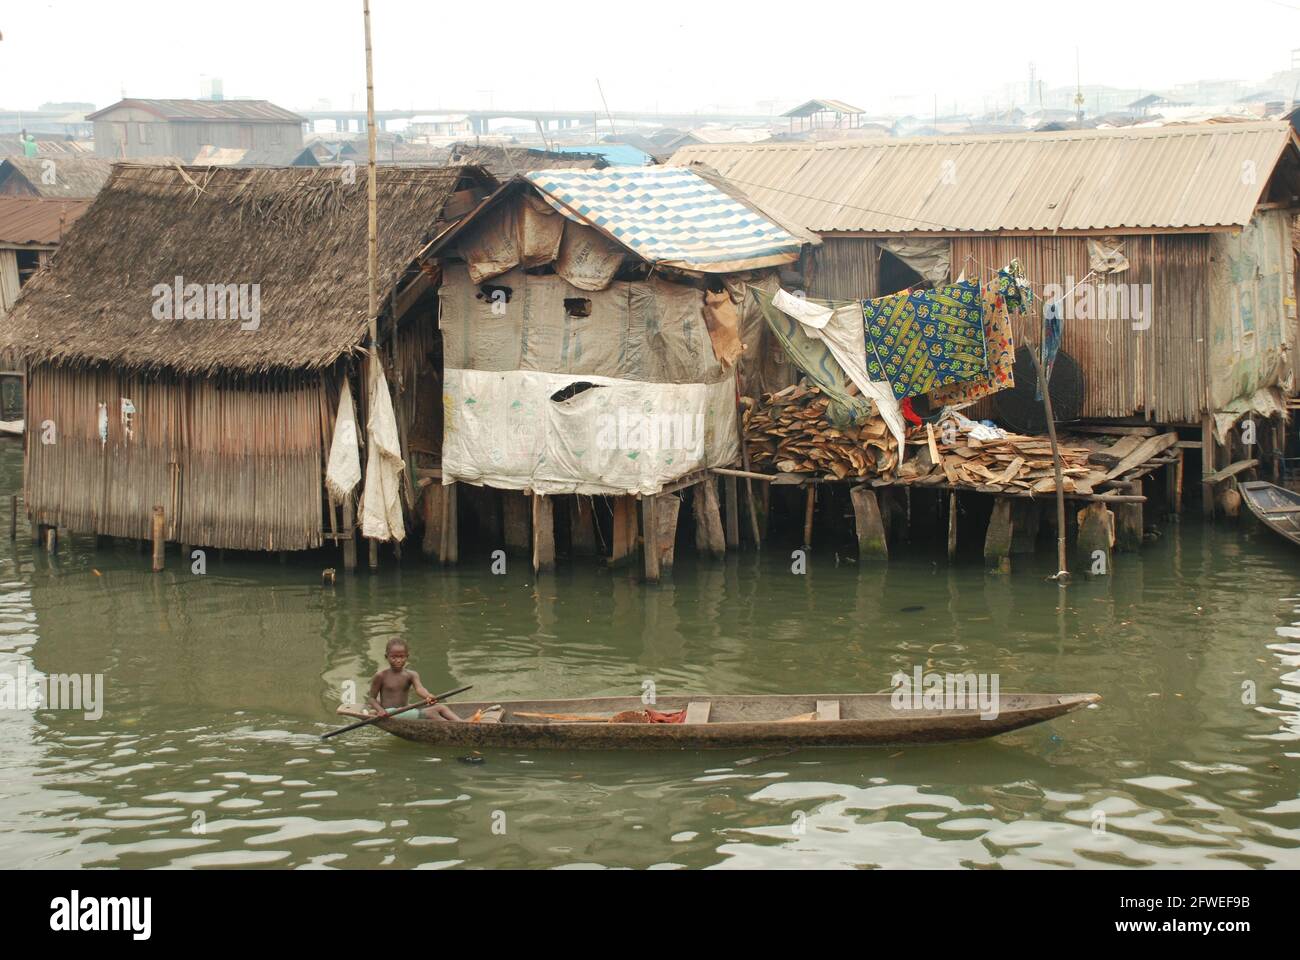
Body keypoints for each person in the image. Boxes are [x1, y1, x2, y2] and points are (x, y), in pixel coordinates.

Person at [366, 638, 461, 721]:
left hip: (404, 710)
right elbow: (371, 698)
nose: (398, 660)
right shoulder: (381, 675)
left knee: (439, 708)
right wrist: (380, 710)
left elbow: (420, 689)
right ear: (387, 657)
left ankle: (461, 723)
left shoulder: (411, 674)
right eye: (394, 657)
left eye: (401, 657)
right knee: (438, 709)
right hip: (390, 713)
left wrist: (428, 696)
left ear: (407, 657)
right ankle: (461, 724)